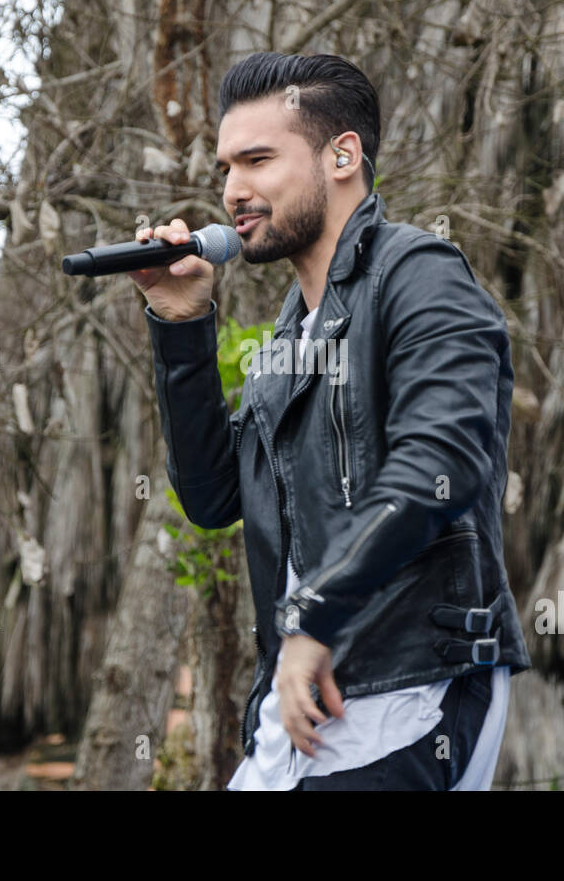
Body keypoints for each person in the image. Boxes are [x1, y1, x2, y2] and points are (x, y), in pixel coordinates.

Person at [129, 52, 532, 790]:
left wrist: (315, 617)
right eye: (226, 167)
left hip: (404, 696)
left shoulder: (420, 275)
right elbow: (215, 498)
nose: (232, 190)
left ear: (343, 154)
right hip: (288, 727)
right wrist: (181, 327)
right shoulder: (288, 339)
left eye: (257, 160)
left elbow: (440, 465)